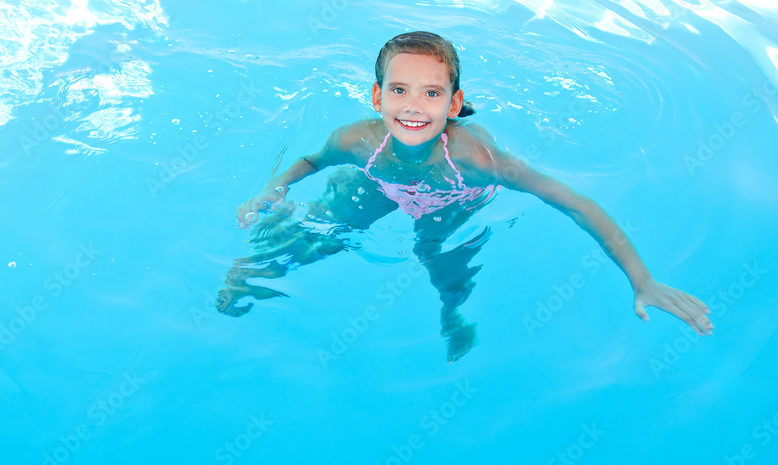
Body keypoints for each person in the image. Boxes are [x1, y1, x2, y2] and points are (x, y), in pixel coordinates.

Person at [221, 31, 712, 361]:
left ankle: (451, 312)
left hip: (449, 198)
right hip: (380, 179)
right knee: (328, 227)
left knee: (436, 257)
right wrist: (272, 189)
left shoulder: (479, 159)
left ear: (454, 103)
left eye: (432, 94)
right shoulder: (357, 140)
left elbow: (575, 203)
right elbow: (310, 161)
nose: (413, 106)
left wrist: (642, 279)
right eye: (399, 91)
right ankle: (256, 271)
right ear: (377, 97)